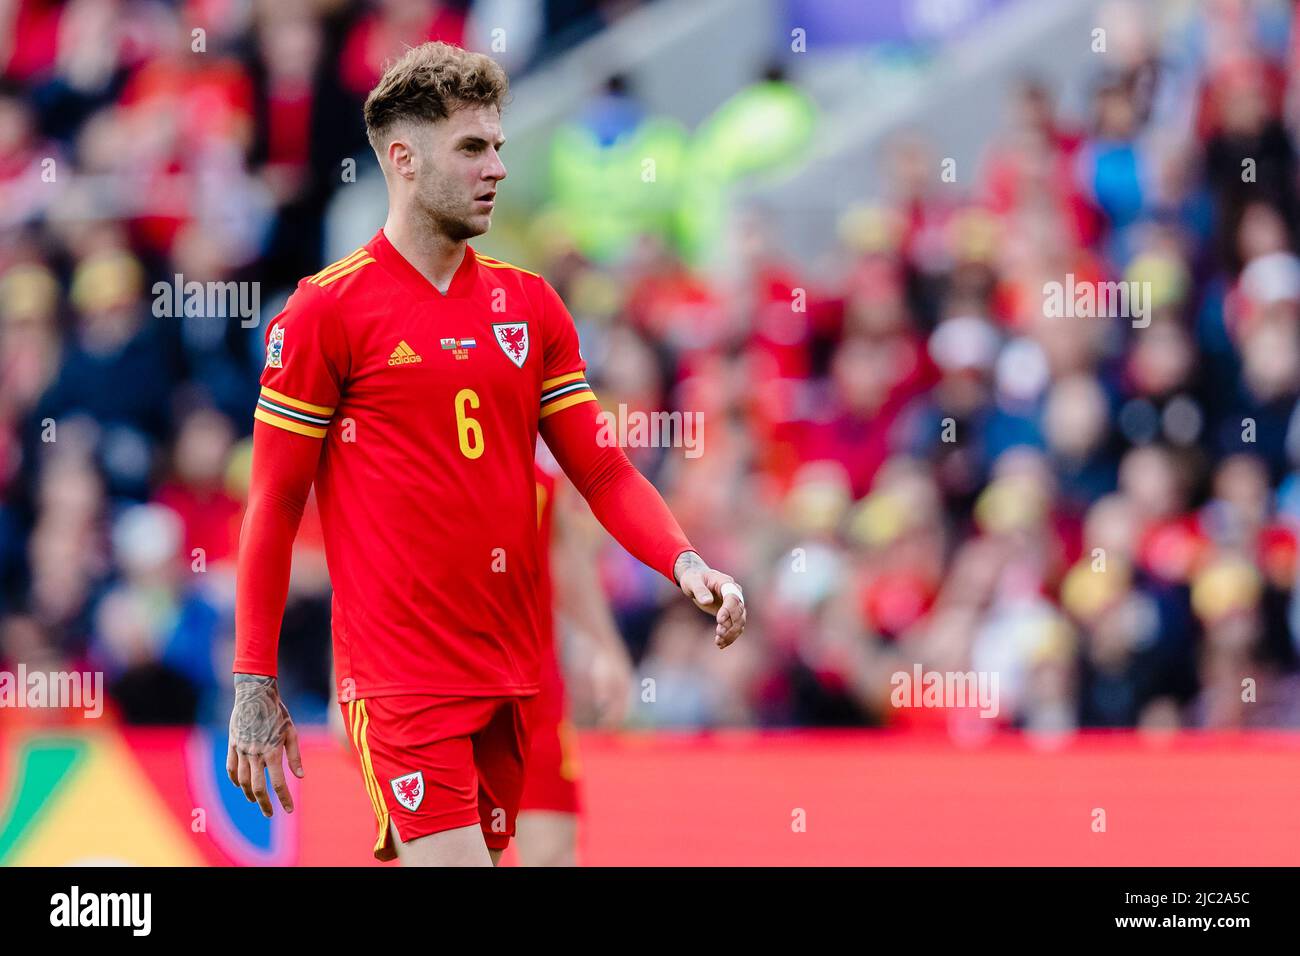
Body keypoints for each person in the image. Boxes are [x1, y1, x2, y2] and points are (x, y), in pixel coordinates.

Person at [225, 41, 746, 867]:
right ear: (403, 158)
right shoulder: (328, 312)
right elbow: (275, 504)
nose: (497, 167)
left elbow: (601, 470)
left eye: (499, 145)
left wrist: (684, 562)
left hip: (514, 679)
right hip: (401, 680)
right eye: (473, 147)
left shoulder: (530, 306)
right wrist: (254, 679)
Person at [516, 460, 633, 867]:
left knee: (552, 854)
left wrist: (607, 648)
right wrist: (348, 675)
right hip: (435, 684)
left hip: (534, 685)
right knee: (457, 852)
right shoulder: (411, 433)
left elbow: (559, 544)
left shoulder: (533, 434)